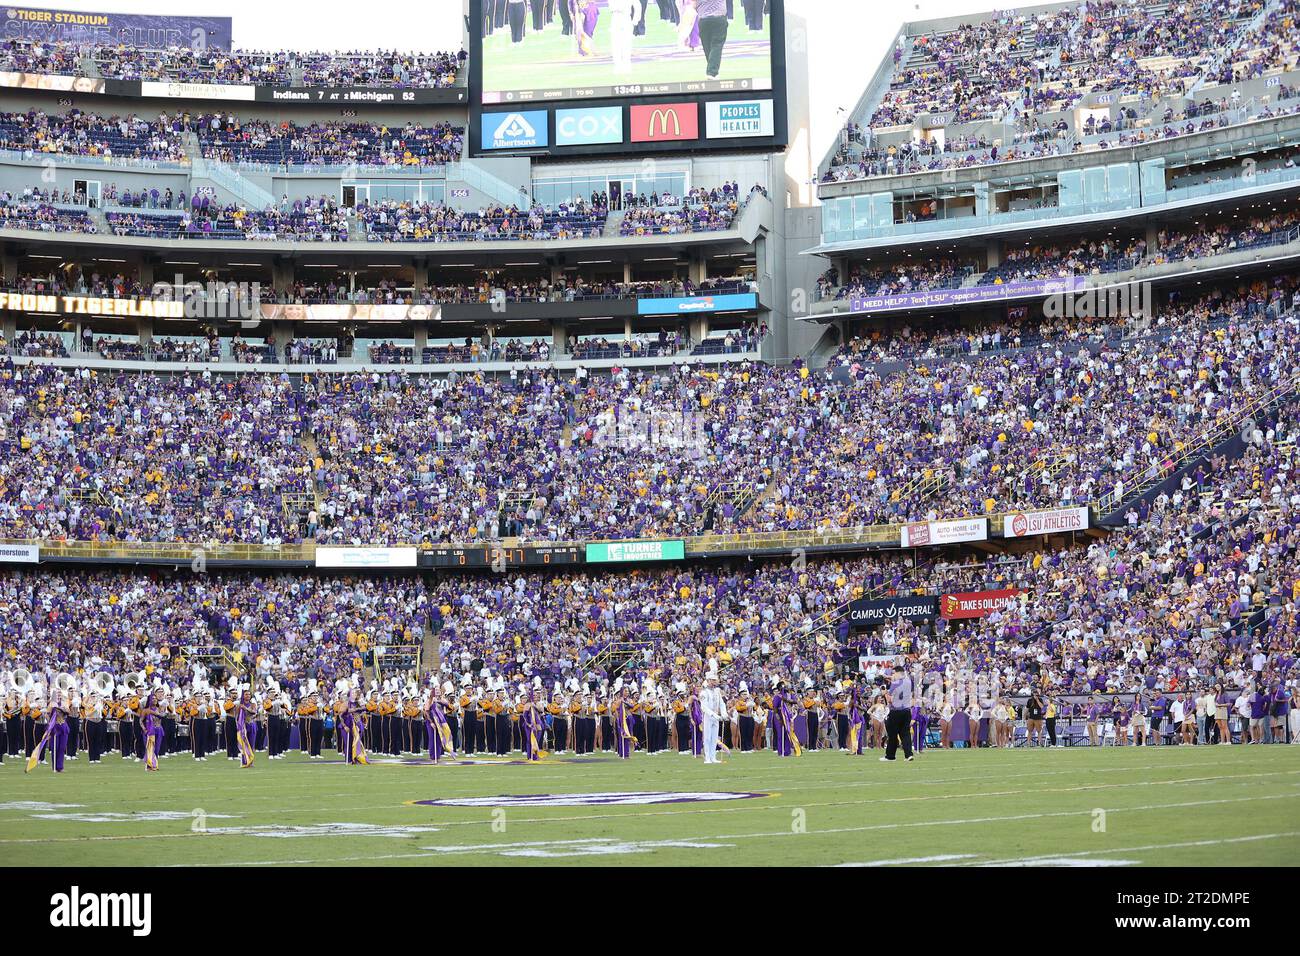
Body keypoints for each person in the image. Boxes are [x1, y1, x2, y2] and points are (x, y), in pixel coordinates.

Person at [880, 664, 914, 762]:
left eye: (893, 673)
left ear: (898, 673)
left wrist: (885, 693)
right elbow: (902, 679)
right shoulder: (909, 681)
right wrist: (889, 677)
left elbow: (890, 699)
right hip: (907, 711)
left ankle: (890, 756)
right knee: (905, 733)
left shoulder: (894, 684)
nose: (892, 675)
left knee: (892, 734)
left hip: (895, 711)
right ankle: (908, 755)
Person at [695, 0, 729, 78]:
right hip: (718, 18)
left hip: (703, 19)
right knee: (716, 45)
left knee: (707, 46)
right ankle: (712, 72)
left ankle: (713, 71)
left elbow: (693, 5)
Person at [700, 676, 725, 763]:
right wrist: (714, 714)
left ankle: (713, 757)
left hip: (716, 717)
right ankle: (707, 757)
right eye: (712, 680)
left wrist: (724, 714)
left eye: (715, 680)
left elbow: (721, 703)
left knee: (714, 737)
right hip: (708, 716)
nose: (714, 682)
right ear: (708, 680)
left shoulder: (717, 691)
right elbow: (704, 707)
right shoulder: (704, 692)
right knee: (707, 737)